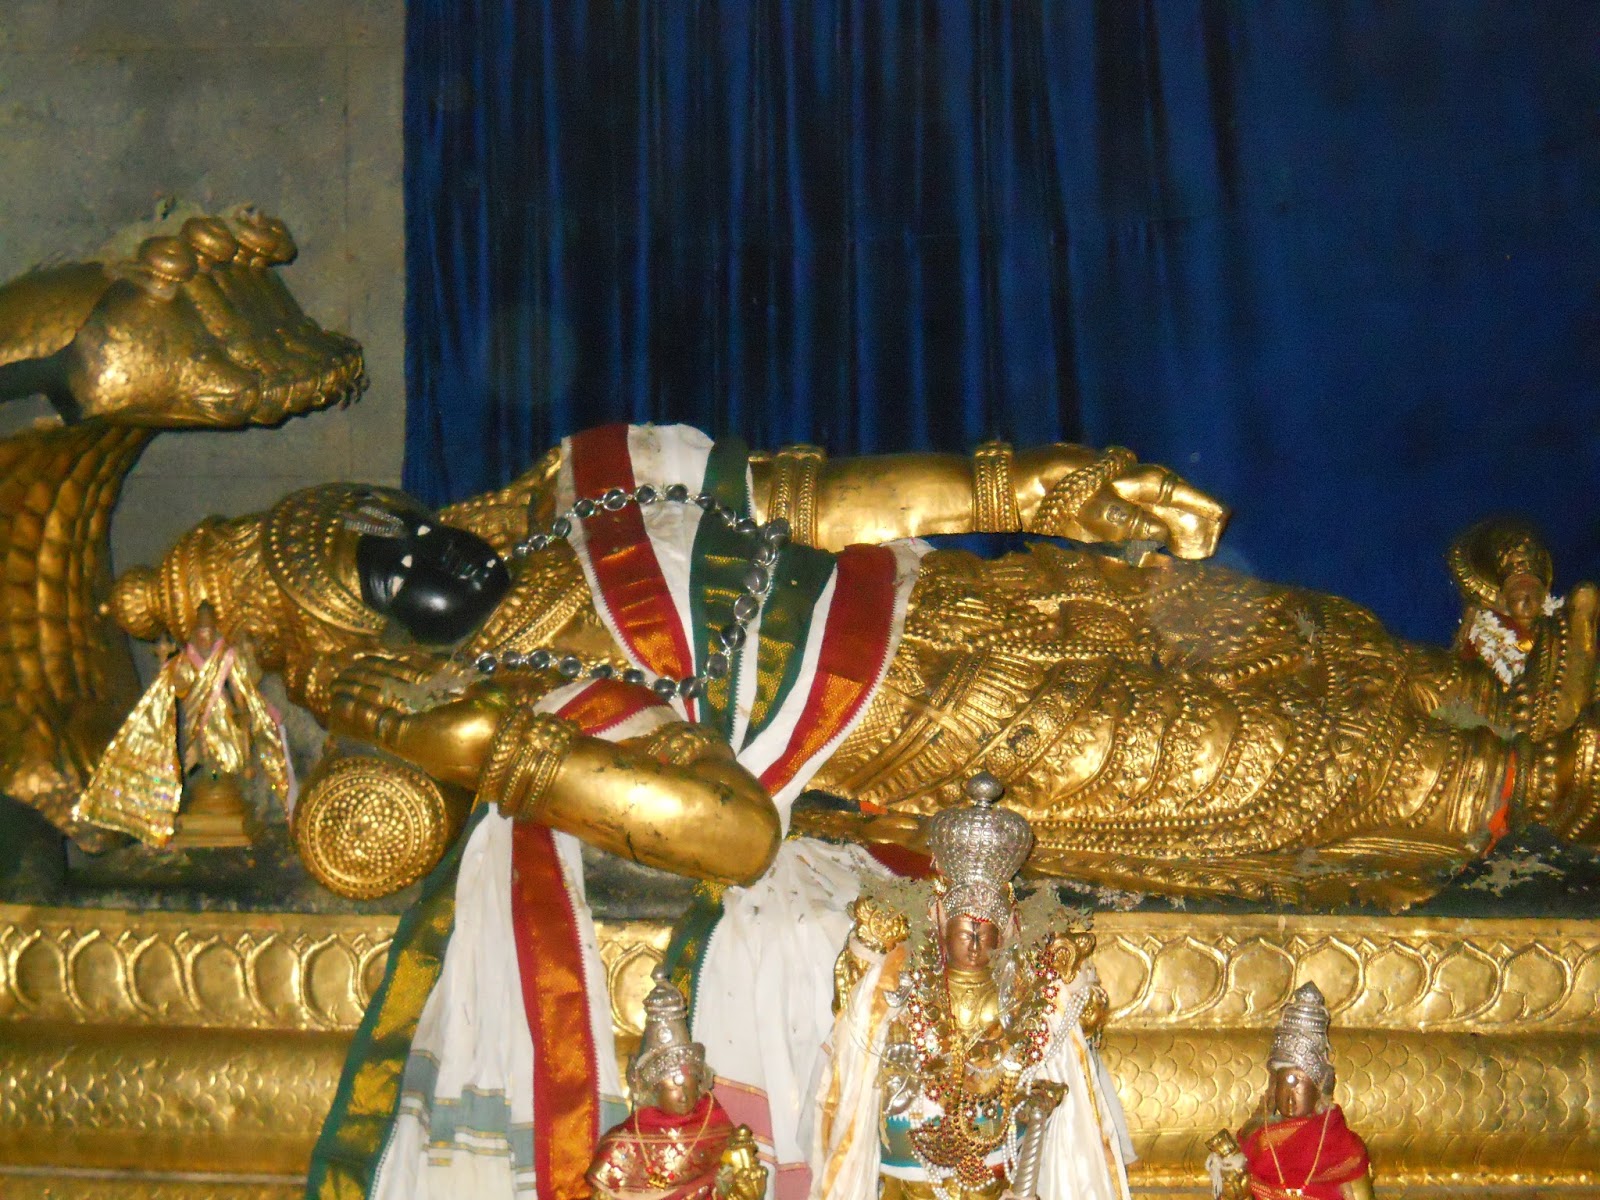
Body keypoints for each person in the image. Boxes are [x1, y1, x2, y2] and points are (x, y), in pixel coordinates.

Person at [810, 775, 1133, 1200]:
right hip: (913, 1163)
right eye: (965, 929)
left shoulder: (1024, 992)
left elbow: (1049, 1055)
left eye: (986, 932)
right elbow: (865, 1053)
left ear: (1004, 935)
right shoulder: (902, 983)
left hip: (996, 1163)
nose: (975, 942)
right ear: (942, 926)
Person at [587, 970, 768, 1200]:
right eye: (674, 1087)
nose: (684, 1096)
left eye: (690, 1086)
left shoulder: (718, 1129)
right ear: (654, 1088)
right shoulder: (625, 1141)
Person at [1207, 983, 1374, 1200]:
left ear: (1319, 1086)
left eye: (1298, 1082)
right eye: (1283, 1082)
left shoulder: (1344, 1147)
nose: (1289, 1094)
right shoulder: (1256, 1139)